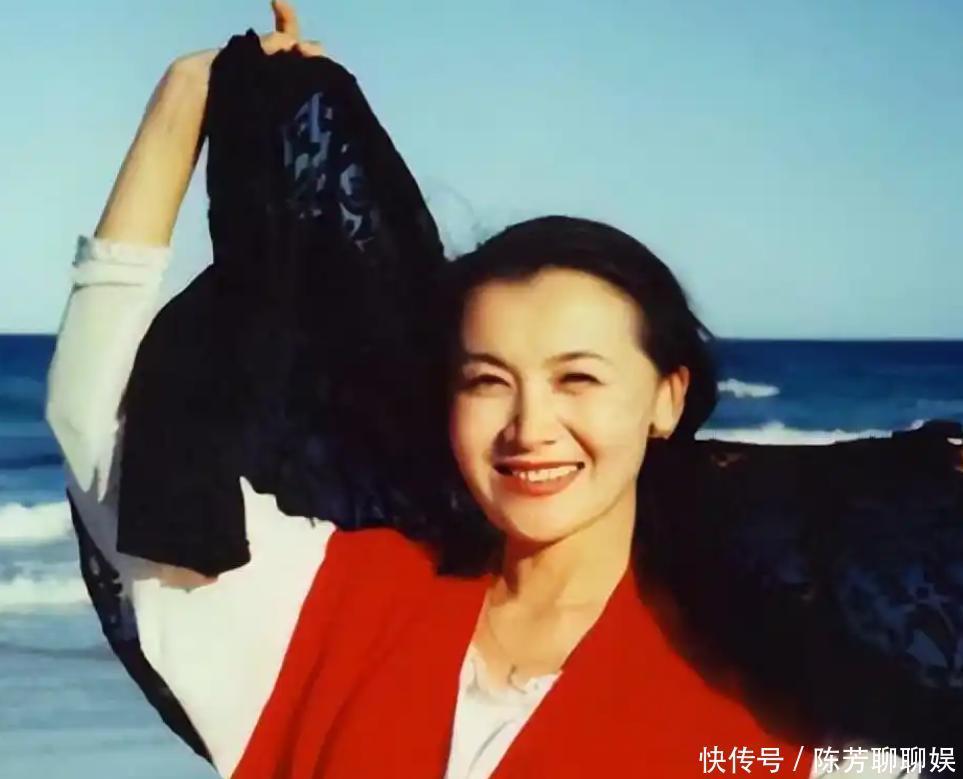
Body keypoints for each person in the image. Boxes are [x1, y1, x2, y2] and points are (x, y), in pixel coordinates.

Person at [46, 3, 961, 777]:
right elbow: (98, 425)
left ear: (666, 398)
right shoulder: (326, 601)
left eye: (577, 377)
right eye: (487, 380)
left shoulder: (785, 677)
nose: (531, 425)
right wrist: (187, 98)